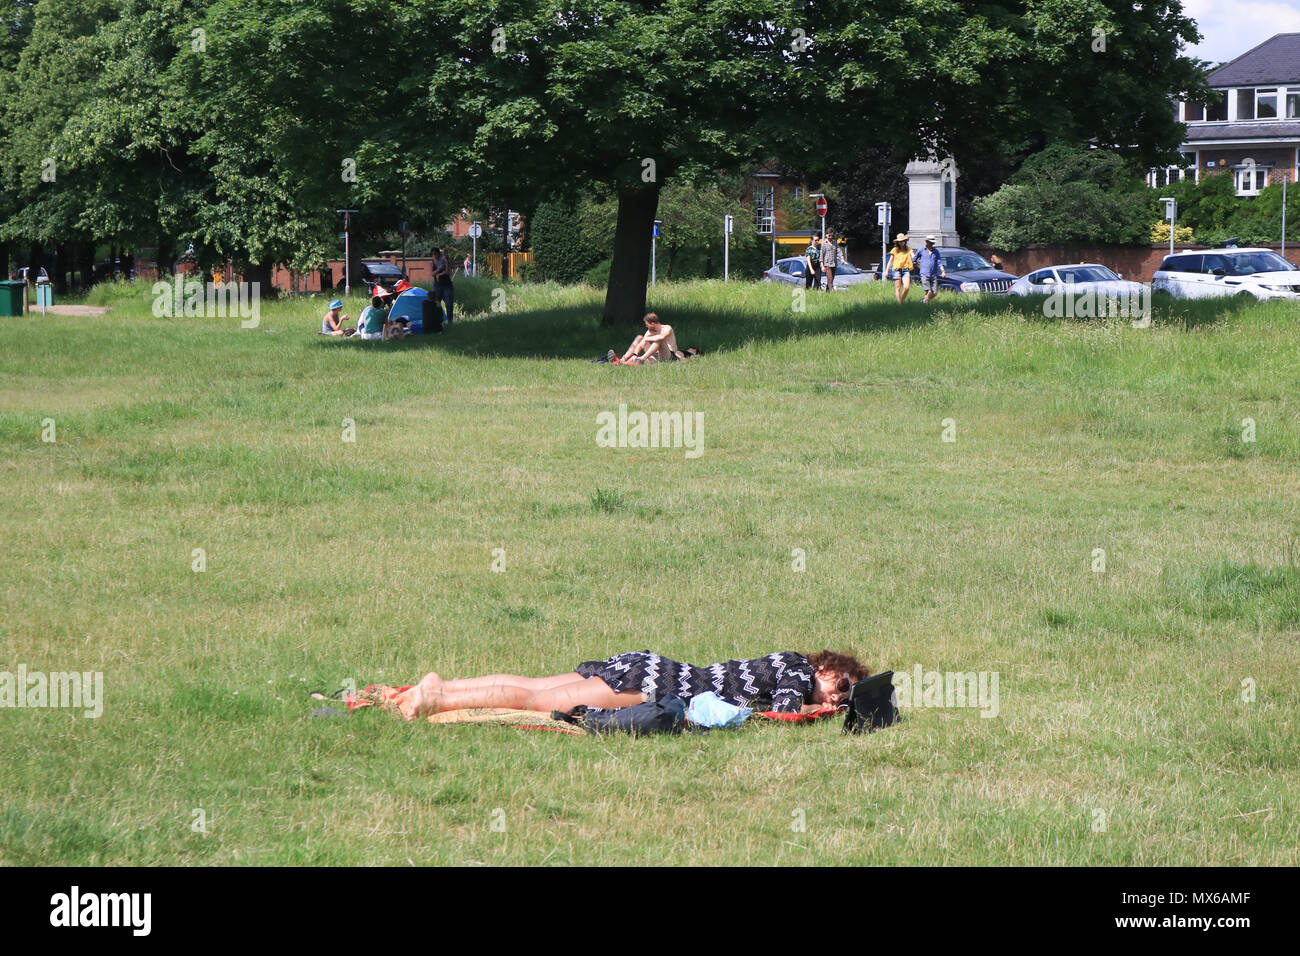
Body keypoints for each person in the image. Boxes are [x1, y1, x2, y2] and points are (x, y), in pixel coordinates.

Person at [392, 649, 872, 721]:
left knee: (534, 685)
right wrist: (823, 712)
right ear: (829, 666)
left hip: (653, 668)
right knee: (536, 701)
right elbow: (785, 712)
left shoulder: (791, 669)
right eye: (844, 684)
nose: (838, 694)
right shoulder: (797, 669)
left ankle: (444, 686)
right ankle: (438, 697)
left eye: (844, 696)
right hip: (654, 683)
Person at [916, 235, 946, 304]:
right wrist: (919, 266)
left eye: (933, 243)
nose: (932, 244)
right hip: (924, 273)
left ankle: (924, 301)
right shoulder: (921, 250)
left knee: (935, 293)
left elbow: (939, 262)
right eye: (930, 242)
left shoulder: (936, 251)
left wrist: (943, 271)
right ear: (926, 241)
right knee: (929, 291)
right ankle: (925, 305)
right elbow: (914, 260)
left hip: (933, 274)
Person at [886, 233, 915, 303]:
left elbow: (913, 256)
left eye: (903, 240)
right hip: (896, 270)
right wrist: (886, 270)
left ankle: (902, 300)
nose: (902, 242)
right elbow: (890, 261)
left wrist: (915, 258)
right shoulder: (895, 250)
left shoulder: (909, 249)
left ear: (905, 241)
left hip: (906, 270)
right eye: (900, 241)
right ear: (898, 242)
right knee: (898, 288)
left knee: (906, 287)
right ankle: (899, 304)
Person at [432, 247, 454, 325]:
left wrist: (446, 262)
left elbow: (448, 272)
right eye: (433, 254)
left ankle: (450, 322)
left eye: (435, 253)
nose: (434, 255)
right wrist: (439, 270)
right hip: (437, 286)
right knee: (435, 304)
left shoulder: (444, 260)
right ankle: (437, 322)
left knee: (449, 304)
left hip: (447, 285)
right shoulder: (432, 262)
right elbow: (432, 274)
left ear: (439, 253)